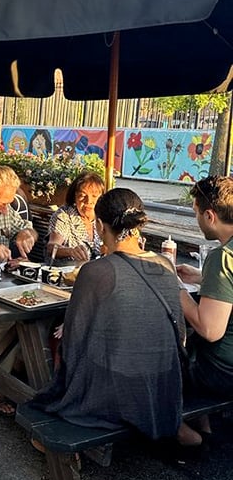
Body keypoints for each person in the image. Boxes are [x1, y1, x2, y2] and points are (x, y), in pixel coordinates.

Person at [34, 188, 198, 445]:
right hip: (164, 380)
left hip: (117, 386)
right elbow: (179, 332)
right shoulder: (164, 264)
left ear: (99, 225)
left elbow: (75, 341)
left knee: (61, 349)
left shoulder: (96, 271)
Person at [177, 176, 233, 413]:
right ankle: (203, 428)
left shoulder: (222, 257)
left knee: (161, 360)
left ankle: (176, 429)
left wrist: (175, 286)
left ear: (210, 216)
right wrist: (202, 277)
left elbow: (210, 329)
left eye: (196, 213)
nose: (196, 219)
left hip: (222, 372)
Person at [47, 172, 105, 263]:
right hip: (68, 272)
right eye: (82, 196)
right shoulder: (64, 216)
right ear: (74, 197)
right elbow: (52, 247)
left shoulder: (103, 217)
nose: (88, 201)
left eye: (94, 196)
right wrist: (70, 251)